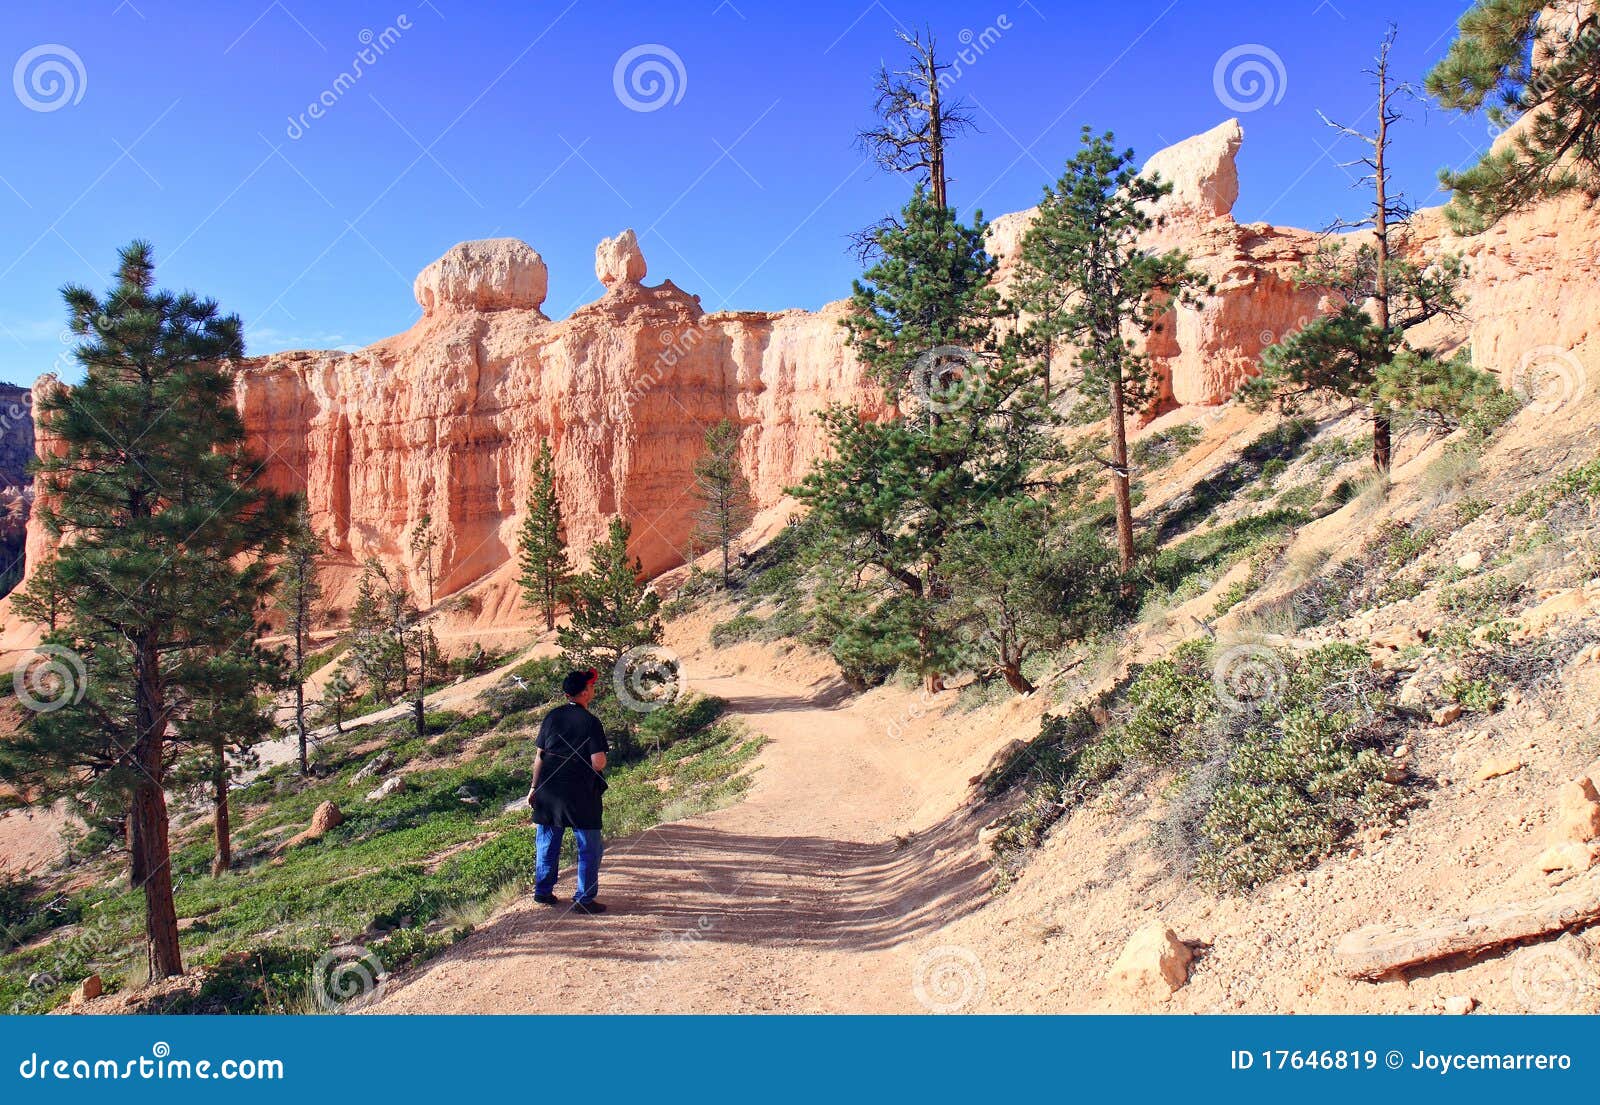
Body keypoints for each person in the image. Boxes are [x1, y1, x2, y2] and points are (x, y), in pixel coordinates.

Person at [529, 668, 609, 914]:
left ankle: (543, 892)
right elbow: (598, 762)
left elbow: (540, 755)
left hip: (549, 786)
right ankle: (583, 899)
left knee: (547, 840)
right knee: (588, 844)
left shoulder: (552, 716)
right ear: (584, 693)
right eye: (591, 686)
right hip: (580, 791)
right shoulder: (591, 722)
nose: (593, 690)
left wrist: (533, 787)